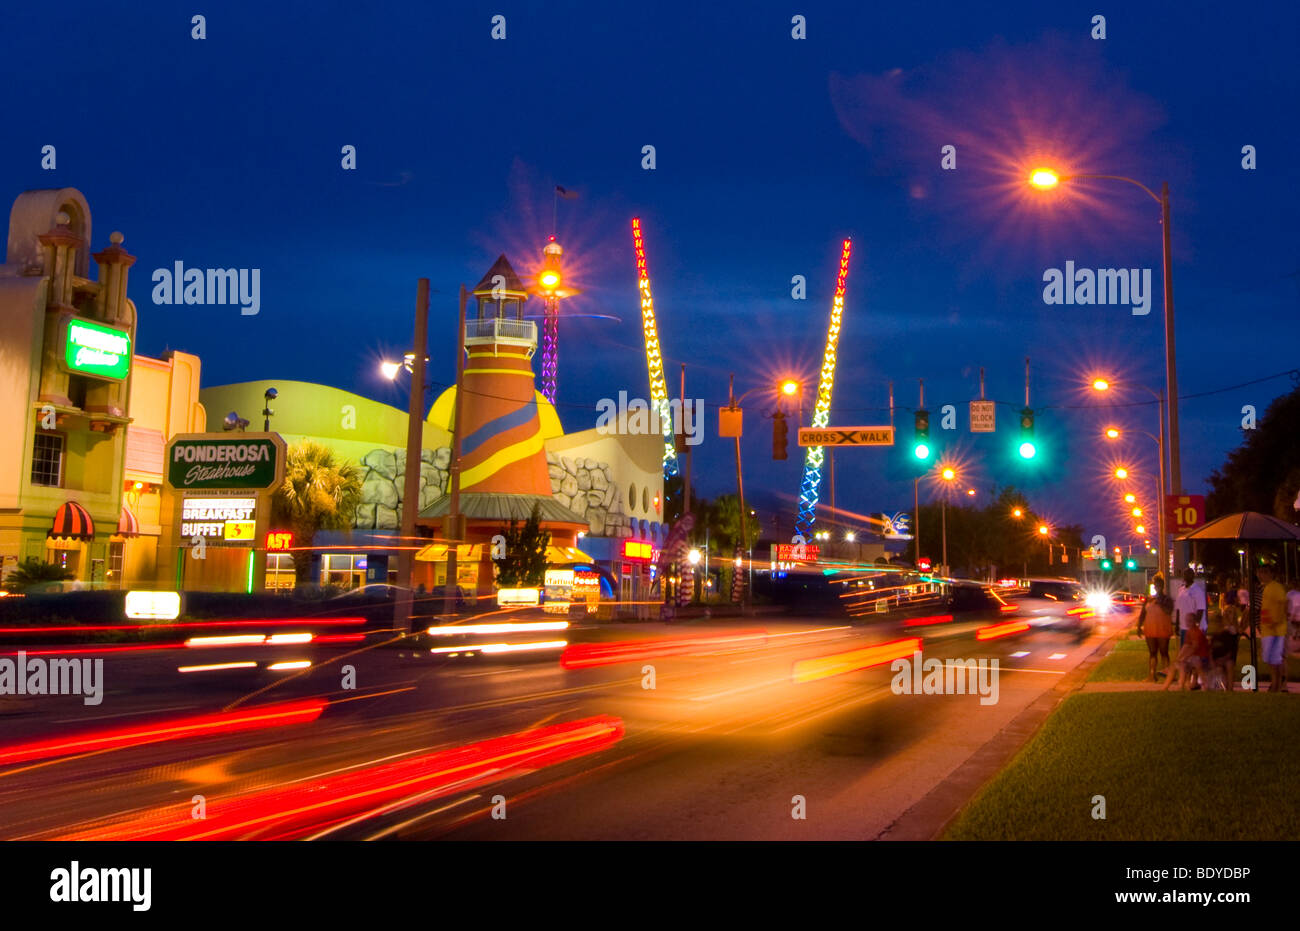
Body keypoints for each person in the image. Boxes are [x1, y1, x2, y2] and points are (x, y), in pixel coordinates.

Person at [1257, 563, 1289, 692]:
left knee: (1274, 660)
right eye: (1260, 572)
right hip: (1268, 630)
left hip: (1275, 631)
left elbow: (1285, 604)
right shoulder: (1266, 588)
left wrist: (1277, 621)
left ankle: (1276, 685)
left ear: (1270, 573)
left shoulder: (1276, 587)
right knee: (1270, 660)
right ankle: (1275, 684)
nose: (1261, 575)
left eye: (1264, 572)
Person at [1137, 574, 1174, 682]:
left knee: (1164, 652)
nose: (1157, 587)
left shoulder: (1167, 599)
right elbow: (1142, 613)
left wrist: (1160, 603)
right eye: (1155, 585)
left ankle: (1167, 675)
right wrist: (1139, 626)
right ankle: (1152, 675)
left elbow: (1168, 611)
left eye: (1159, 585)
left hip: (1163, 629)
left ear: (1162, 586)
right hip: (1150, 630)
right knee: (1152, 652)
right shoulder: (1149, 599)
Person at [1173, 567, 1206, 646]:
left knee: (1193, 652)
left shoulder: (1197, 591)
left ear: (1192, 576)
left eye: (1188, 574)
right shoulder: (1181, 590)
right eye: (1184, 574)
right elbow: (1178, 609)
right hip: (1183, 626)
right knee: (1184, 652)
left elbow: (1200, 609)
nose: (1186, 576)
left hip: (1193, 628)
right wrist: (1177, 624)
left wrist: (1196, 626)